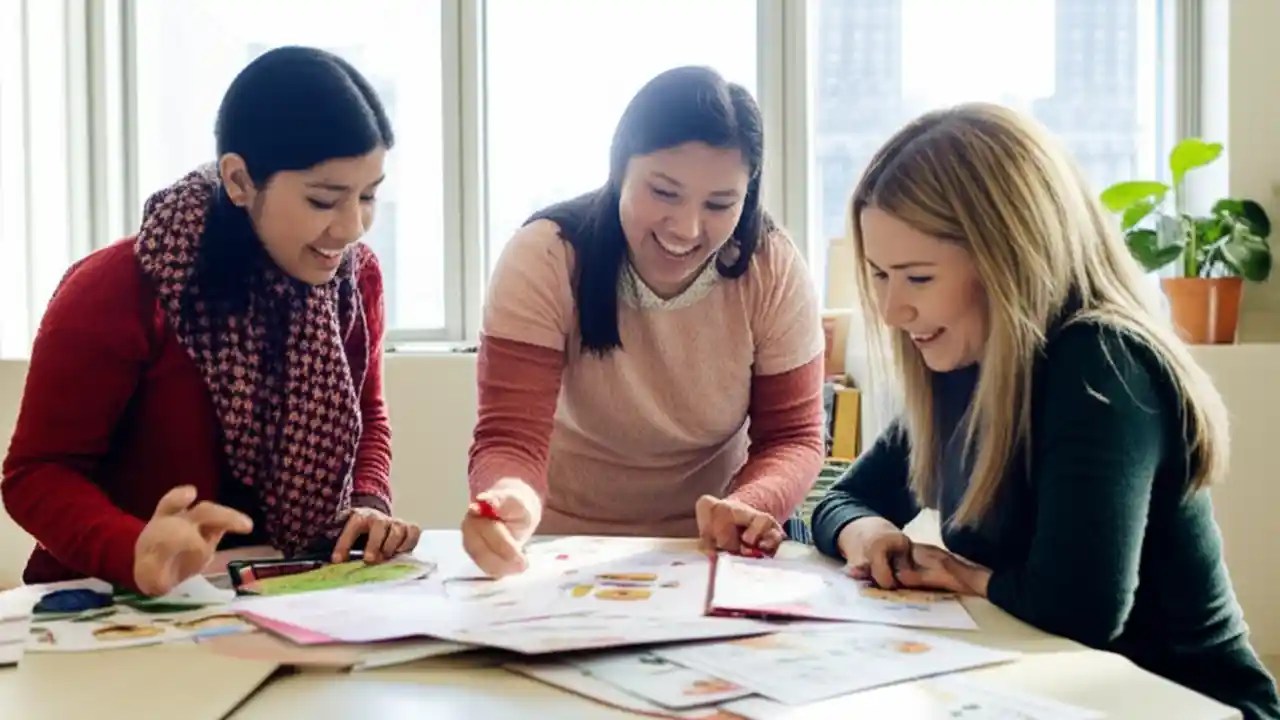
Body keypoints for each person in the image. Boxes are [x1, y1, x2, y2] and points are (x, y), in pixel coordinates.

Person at [811, 103, 1280, 720]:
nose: (893, 310)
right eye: (877, 275)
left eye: (918, 278)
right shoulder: (962, 362)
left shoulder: (1100, 360)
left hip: (1183, 703)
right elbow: (839, 501)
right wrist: (864, 531)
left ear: (1008, 258)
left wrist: (964, 577)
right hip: (1055, 693)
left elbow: (1080, 610)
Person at [2, 46, 421, 597]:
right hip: (115, 604)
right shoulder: (120, 288)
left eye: (368, 196)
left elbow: (367, 415)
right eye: (324, 200)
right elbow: (37, 473)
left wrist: (367, 504)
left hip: (287, 592)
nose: (352, 228)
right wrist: (134, 548)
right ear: (240, 180)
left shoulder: (352, 279)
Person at [463, 66, 825, 576]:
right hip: (559, 549)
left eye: (720, 203)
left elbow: (793, 436)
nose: (688, 228)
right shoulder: (547, 255)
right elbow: (509, 436)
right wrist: (506, 497)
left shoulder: (773, 267)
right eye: (664, 193)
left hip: (710, 550)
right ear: (619, 170)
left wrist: (750, 505)